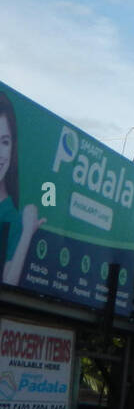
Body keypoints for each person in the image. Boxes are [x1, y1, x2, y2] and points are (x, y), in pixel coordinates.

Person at [0, 92, 45, 287]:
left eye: (4, 142)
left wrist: (27, 233)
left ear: (12, 148)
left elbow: (8, 283)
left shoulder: (12, 218)